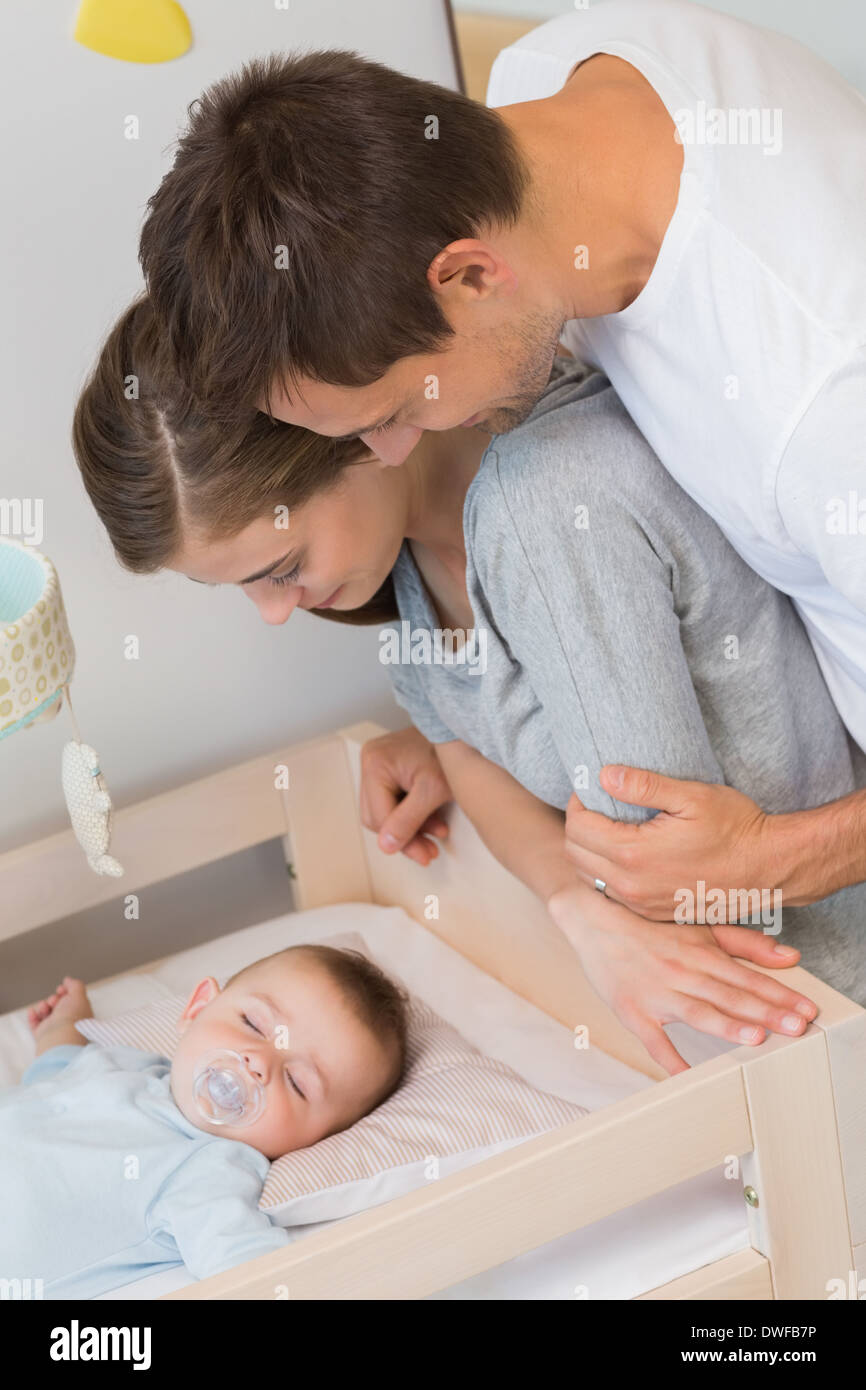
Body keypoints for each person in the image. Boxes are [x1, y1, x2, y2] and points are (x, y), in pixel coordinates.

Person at [136, 0, 866, 917]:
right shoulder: (547, 80)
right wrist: (473, 730)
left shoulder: (823, 392)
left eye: (398, 411)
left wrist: (771, 858)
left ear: (472, 276)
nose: (397, 450)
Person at [71, 298, 866, 1074]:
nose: (275, 614)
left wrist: (598, 909)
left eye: (280, 570)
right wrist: (571, 903)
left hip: (820, 1005)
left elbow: (649, 863)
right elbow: (463, 754)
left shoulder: (547, 507)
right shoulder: (414, 572)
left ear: (344, 430)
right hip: (762, 1019)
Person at [3, 945, 407, 1297]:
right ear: (197, 1009)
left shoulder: (208, 1169)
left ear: (314, 1140)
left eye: (297, 1083)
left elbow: (249, 1268)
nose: (258, 1062)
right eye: (253, 1024)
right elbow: (58, 1078)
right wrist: (60, 1031)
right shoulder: (132, 1065)